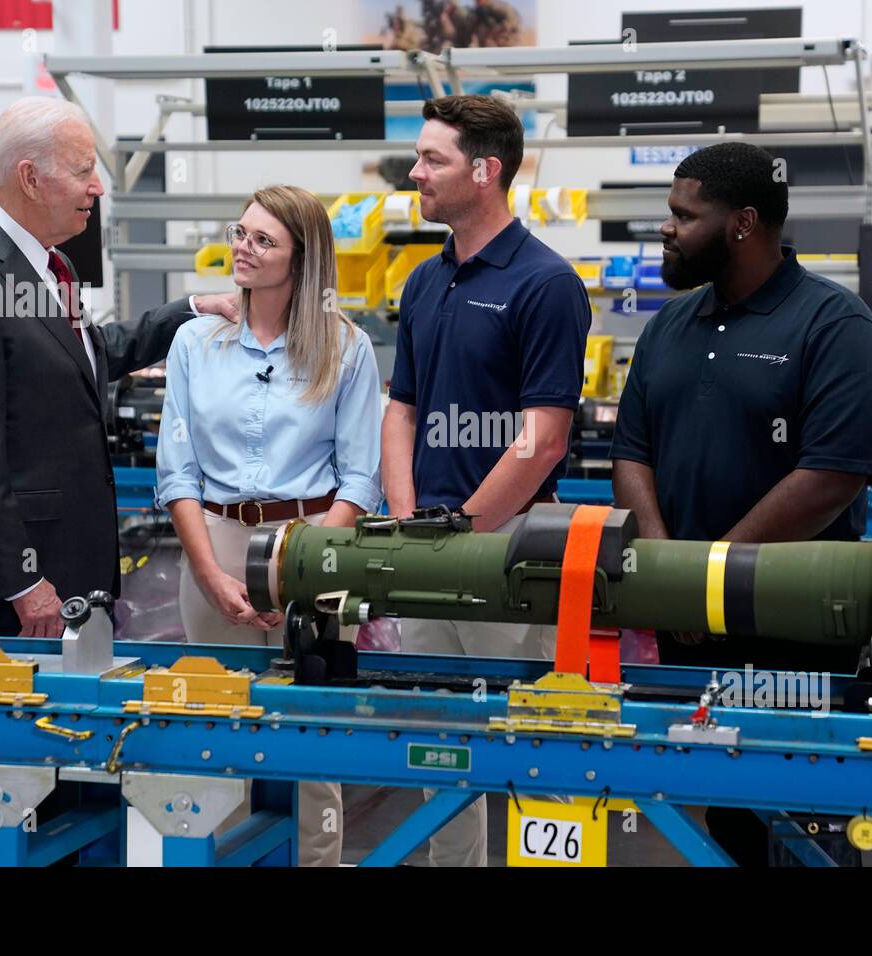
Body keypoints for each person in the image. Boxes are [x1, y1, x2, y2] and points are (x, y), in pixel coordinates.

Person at [0, 95, 238, 866]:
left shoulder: (42, 269)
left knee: (56, 775)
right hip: (5, 594)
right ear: (30, 176)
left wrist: (190, 310)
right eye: (85, 170)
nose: (98, 187)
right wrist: (23, 582)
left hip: (65, 581)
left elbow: (94, 352)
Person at [610, 142, 872, 864]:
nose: (667, 228)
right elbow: (631, 452)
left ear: (741, 223)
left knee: (807, 823)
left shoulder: (835, 326)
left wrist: (711, 578)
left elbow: (833, 474)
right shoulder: (670, 325)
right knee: (729, 819)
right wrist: (673, 573)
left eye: (683, 214)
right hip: (689, 634)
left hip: (796, 632)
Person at [382, 94, 591, 865]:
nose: (416, 172)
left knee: (539, 742)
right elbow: (400, 409)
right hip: (426, 545)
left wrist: (463, 529)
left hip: (509, 547)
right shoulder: (423, 281)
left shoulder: (546, 283)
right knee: (441, 747)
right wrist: (408, 522)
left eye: (432, 159)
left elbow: (542, 440)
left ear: (486, 170)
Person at [156, 185, 383, 866]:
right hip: (213, 547)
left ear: (302, 259)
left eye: (263, 240)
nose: (242, 248)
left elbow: (361, 479)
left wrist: (297, 568)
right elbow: (179, 471)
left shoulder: (347, 348)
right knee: (216, 735)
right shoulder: (196, 342)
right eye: (241, 232)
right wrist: (210, 573)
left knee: (309, 742)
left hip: (314, 549)